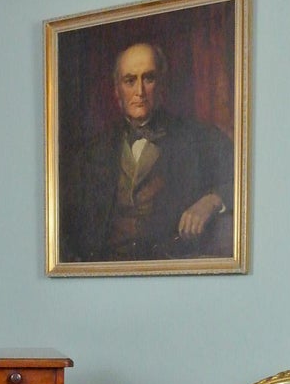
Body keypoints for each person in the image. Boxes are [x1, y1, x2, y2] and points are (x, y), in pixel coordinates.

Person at [60, 42, 234, 262]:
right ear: (117, 91)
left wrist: (211, 200)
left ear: (162, 85)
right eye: (130, 81)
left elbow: (241, 178)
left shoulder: (197, 137)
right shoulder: (93, 152)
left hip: (171, 268)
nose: (139, 91)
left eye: (148, 78)